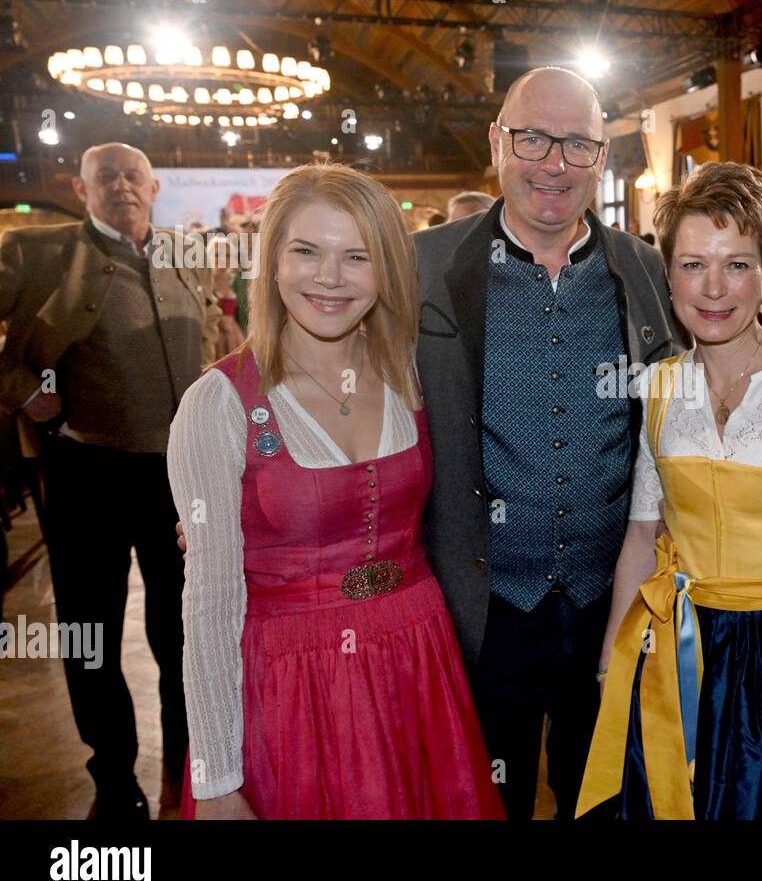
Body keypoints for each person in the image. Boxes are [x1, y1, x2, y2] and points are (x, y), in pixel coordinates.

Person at [168, 163, 503, 819]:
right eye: (306, 251)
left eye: (357, 256)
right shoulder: (218, 402)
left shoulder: (409, 371)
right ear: (270, 260)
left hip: (418, 668)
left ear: (385, 269)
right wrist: (214, 779)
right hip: (292, 690)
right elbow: (208, 603)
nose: (330, 276)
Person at [413, 67, 687, 819]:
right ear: (497, 143)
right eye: (533, 138)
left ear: (603, 158)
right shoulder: (425, 268)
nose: (554, 164)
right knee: (481, 797)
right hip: (482, 603)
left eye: (578, 144)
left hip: (611, 599)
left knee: (598, 795)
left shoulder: (646, 269)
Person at [577, 162, 762, 820]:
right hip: (672, 652)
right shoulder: (657, 385)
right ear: (668, 274)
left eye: (736, 264)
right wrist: (607, 675)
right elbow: (642, 539)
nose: (712, 288)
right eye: (691, 264)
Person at [0, 142, 220, 818]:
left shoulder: (185, 253)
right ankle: (112, 779)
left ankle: (186, 769)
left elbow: (216, 340)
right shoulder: (35, 252)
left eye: (133, 175)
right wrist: (19, 387)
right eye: (107, 176)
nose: (122, 185)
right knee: (89, 635)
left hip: (177, 474)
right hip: (83, 474)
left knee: (185, 630)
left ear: (153, 186)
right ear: (81, 185)